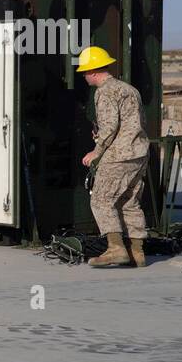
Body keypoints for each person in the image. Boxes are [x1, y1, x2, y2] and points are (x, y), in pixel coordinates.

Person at [78, 46, 150, 268]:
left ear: (93, 71)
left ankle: (116, 249)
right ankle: (137, 252)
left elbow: (109, 126)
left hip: (119, 154)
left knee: (100, 199)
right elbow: (138, 122)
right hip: (139, 153)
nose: (83, 76)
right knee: (128, 201)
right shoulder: (130, 89)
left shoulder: (105, 91)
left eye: (84, 72)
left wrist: (96, 152)